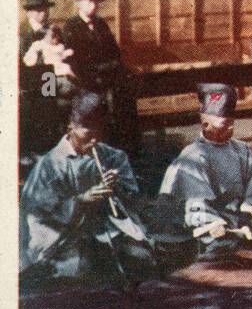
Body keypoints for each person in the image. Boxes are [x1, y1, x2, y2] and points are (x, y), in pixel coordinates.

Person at [19, 91, 155, 292]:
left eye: (99, 135)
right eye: (88, 135)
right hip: (65, 240)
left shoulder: (113, 157)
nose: (94, 142)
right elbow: (37, 213)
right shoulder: (51, 165)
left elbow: (134, 201)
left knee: (142, 259)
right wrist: (82, 200)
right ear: (71, 127)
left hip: (109, 233)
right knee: (78, 273)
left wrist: (117, 188)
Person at [155, 84, 252, 262]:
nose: (230, 129)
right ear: (205, 124)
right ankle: (228, 245)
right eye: (224, 125)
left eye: (232, 123)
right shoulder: (192, 157)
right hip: (208, 220)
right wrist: (218, 225)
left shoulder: (241, 150)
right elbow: (196, 203)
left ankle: (239, 241)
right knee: (218, 239)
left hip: (240, 216)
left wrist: (248, 210)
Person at [61, 0, 139, 151]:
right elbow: (75, 61)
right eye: (89, 1)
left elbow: (115, 53)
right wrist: (98, 71)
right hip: (86, 82)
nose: (93, 5)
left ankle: (126, 149)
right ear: (79, 3)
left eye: (96, 1)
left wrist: (110, 68)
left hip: (106, 78)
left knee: (125, 100)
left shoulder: (101, 24)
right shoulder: (71, 26)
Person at [20, 0, 76, 160]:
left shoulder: (52, 30)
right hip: (30, 77)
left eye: (45, 9)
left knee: (52, 103)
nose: (43, 13)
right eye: (37, 10)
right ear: (29, 12)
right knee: (41, 103)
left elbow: (62, 51)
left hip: (48, 75)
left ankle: (53, 145)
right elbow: (22, 60)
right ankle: (35, 148)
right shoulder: (23, 33)